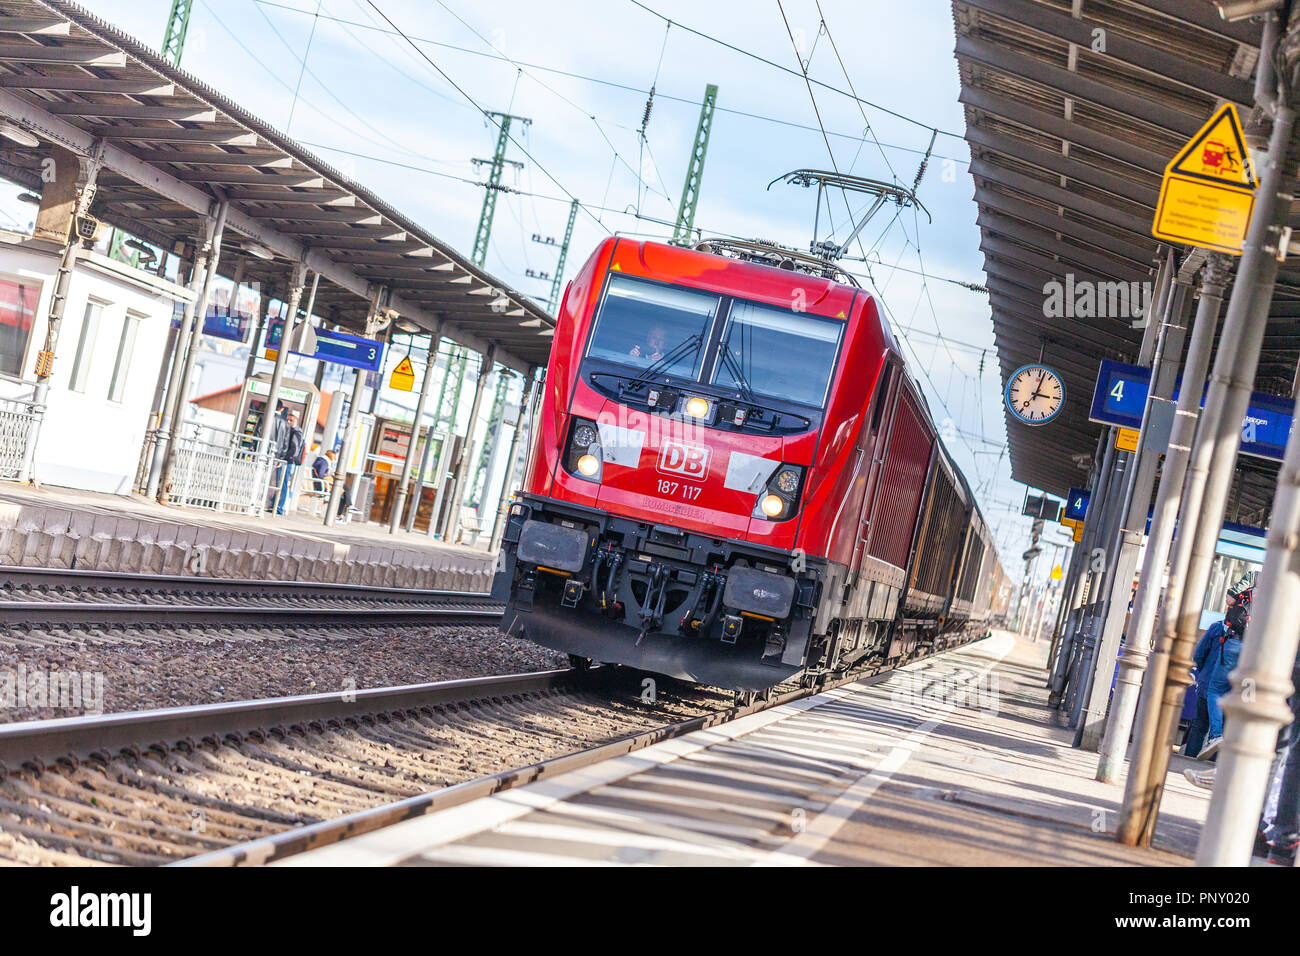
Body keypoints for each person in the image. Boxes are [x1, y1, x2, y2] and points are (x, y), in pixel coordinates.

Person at [274, 409, 305, 515]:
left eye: (291, 420)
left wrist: (284, 458)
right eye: (287, 419)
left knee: (282, 483)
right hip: (284, 460)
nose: (288, 422)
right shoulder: (289, 430)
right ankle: (276, 504)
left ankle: (279, 507)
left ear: (296, 421)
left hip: (287, 461)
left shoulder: (296, 432)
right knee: (280, 483)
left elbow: (294, 448)